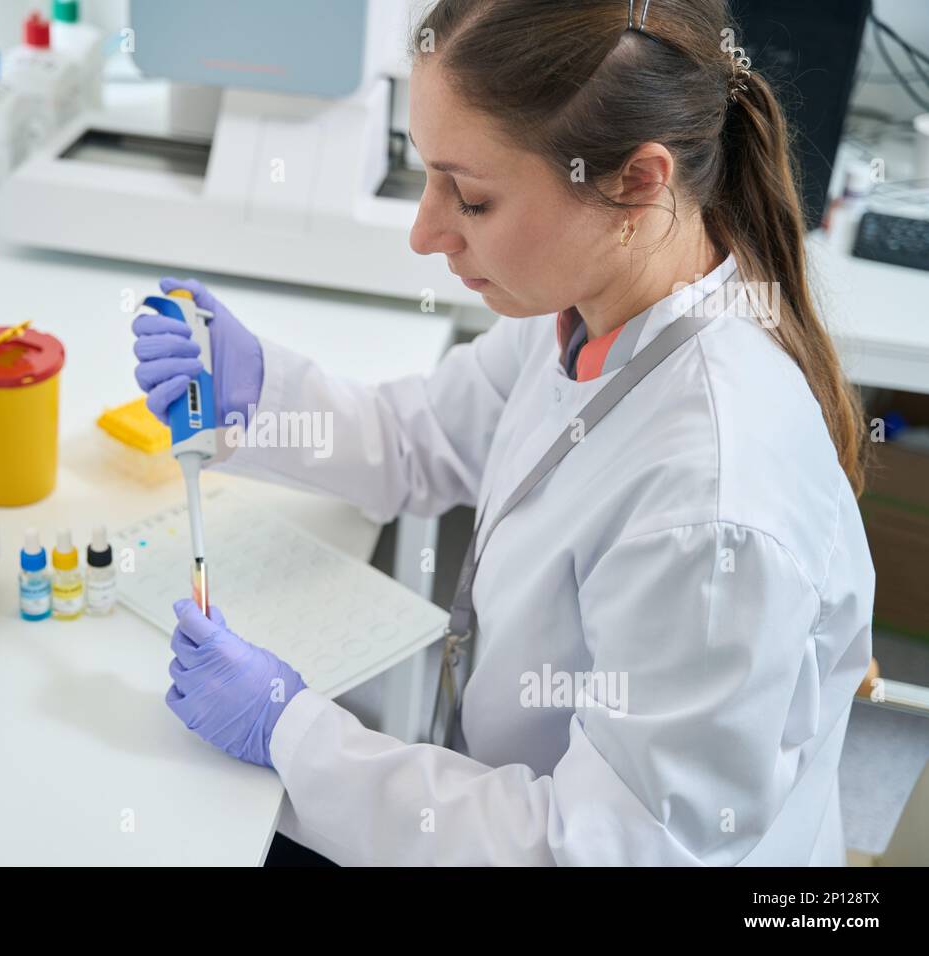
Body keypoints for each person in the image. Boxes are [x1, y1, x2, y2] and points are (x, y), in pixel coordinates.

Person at [130, 0, 874, 866]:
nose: (424, 232)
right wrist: (256, 390)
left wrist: (291, 734)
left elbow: (600, 851)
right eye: (427, 175)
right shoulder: (594, 302)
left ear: (636, 181)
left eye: (472, 198)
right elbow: (421, 441)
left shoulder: (712, 506)